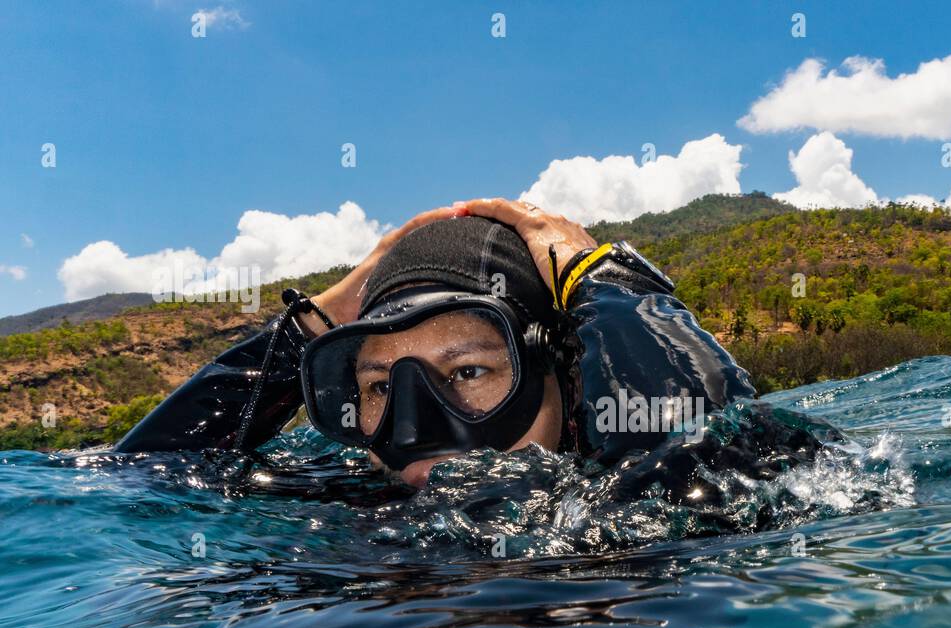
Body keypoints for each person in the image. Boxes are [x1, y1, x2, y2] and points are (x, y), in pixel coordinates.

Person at [117, 200, 824, 498]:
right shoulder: (337, 510)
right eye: (378, 386)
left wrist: (598, 278)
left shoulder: (639, 500)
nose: (416, 425)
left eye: (470, 370)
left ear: (565, 381)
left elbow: (728, 457)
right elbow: (140, 484)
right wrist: (318, 317)